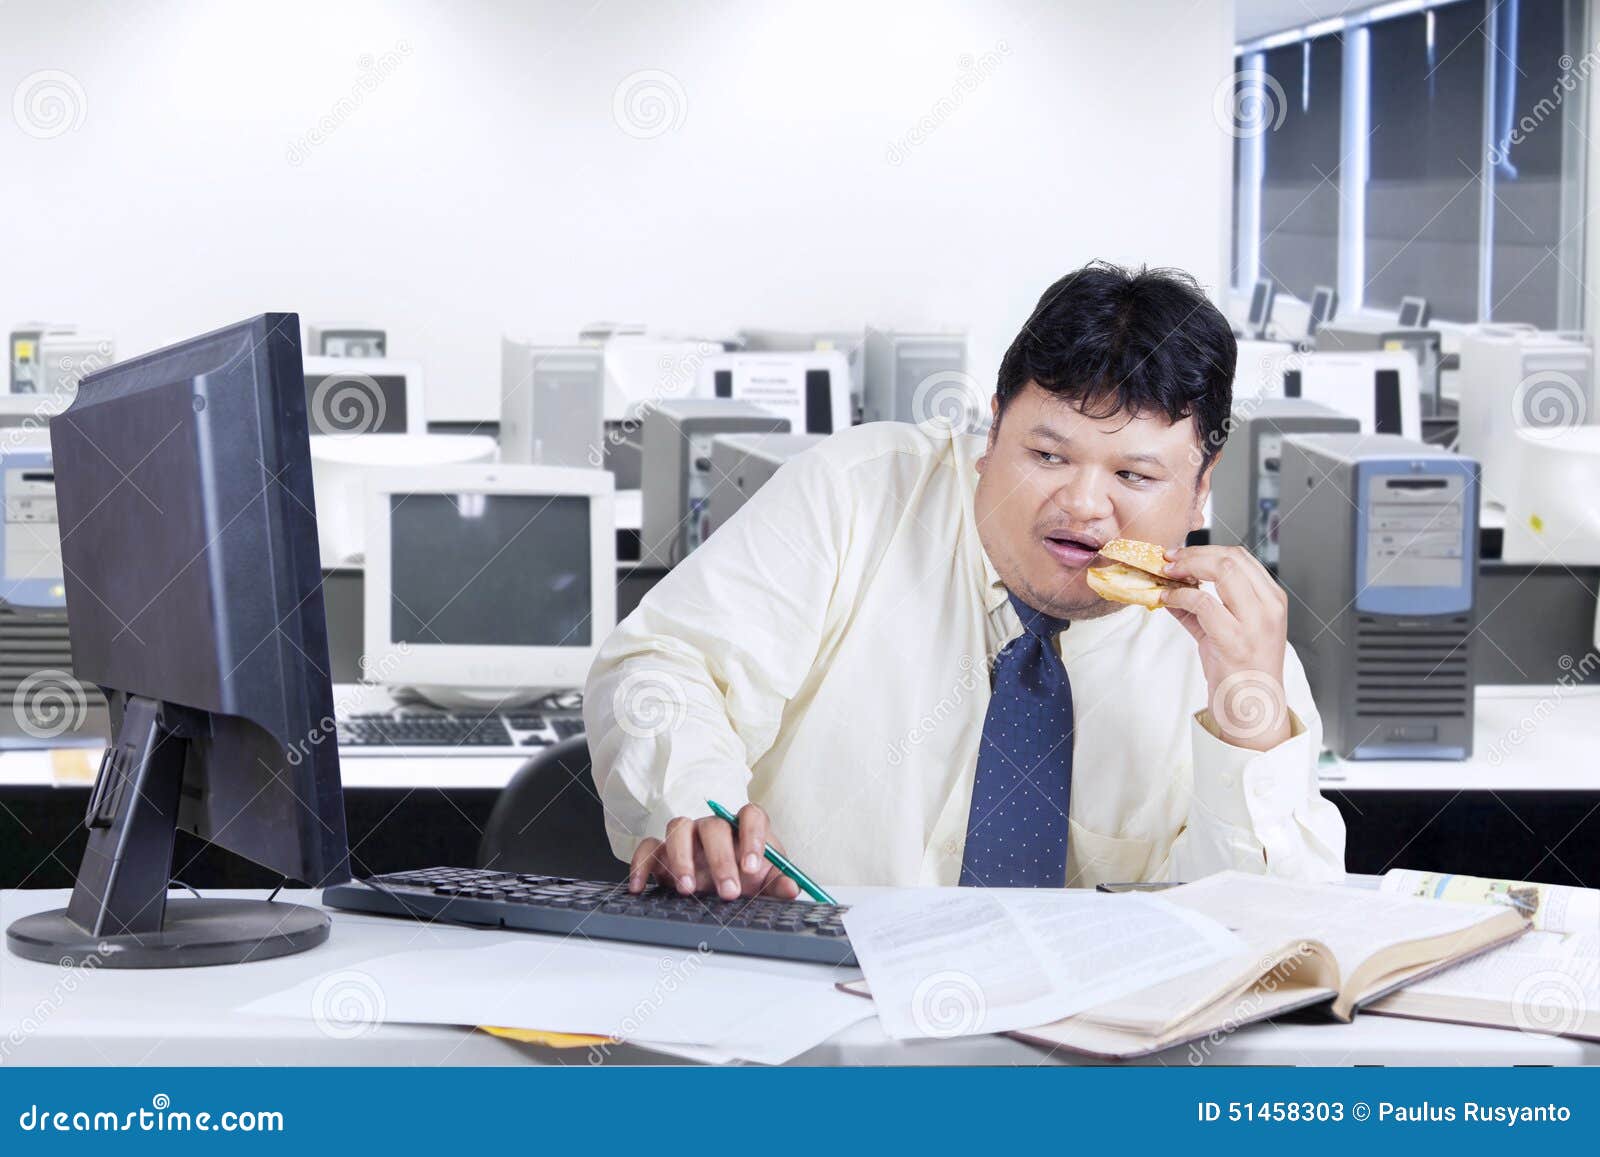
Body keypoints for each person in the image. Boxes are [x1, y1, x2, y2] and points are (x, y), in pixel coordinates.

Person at [584, 261, 1346, 900]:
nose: (1084, 504)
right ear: (992, 428)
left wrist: (1249, 724)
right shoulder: (859, 493)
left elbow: (1268, 931)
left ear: (1202, 484)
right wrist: (700, 804)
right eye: (1047, 456)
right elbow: (666, 665)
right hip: (808, 990)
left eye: (1134, 475)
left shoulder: (1228, 643)